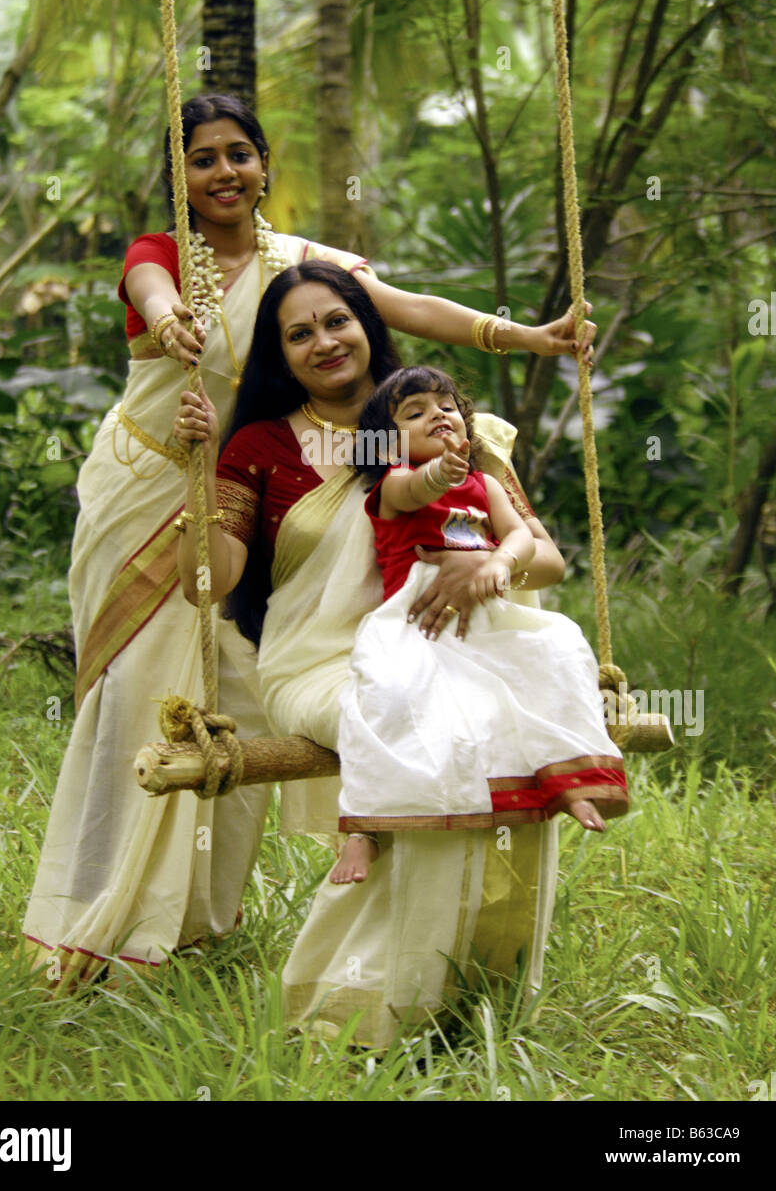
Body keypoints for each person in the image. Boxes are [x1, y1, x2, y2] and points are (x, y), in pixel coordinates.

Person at [23, 90, 595, 988]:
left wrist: (526, 337)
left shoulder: (307, 271)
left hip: (283, 473)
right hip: (156, 483)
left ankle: (202, 917)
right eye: (202, 159)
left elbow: (405, 306)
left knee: (242, 693)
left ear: (264, 165)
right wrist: (174, 320)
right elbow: (152, 288)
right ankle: (99, 917)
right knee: (146, 698)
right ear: (179, 177)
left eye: (238, 153)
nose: (223, 172)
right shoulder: (161, 255)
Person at [176, 264, 580, 1047]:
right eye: (299, 333)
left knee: (497, 732)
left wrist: (478, 564)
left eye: (338, 320)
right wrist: (191, 469)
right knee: (432, 733)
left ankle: (475, 999)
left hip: (457, 649)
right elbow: (209, 582)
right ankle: (352, 1009)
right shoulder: (260, 445)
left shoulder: (433, 417)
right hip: (321, 666)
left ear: (367, 324)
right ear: (279, 355)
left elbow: (550, 561)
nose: (324, 341)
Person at [327, 365, 628, 886]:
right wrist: (439, 473)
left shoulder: (485, 484)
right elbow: (416, 490)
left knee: (557, 648)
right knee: (385, 697)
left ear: (466, 426)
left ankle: (571, 778)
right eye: (414, 413)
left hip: (487, 615)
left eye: (446, 407)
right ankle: (366, 826)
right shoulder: (393, 484)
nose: (436, 415)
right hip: (415, 620)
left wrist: (500, 564)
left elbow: (521, 538)